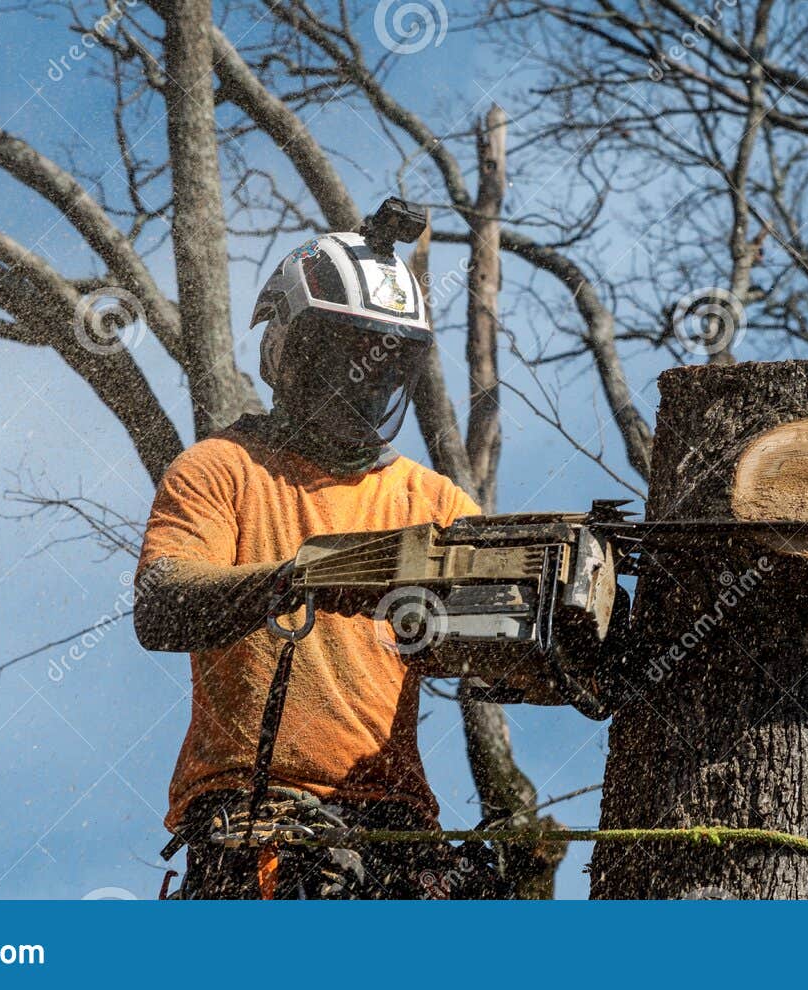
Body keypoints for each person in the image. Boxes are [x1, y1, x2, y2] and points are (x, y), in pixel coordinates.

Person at [133, 201, 598, 899]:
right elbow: (162, 606)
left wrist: (568, 630)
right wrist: (305, 579)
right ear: (285, 353)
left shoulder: (430, 502)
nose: (364, 381)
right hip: (261, 811)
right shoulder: (222, 468)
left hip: (397, 820)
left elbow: (497, 634)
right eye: (341, 359)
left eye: (382, 365)